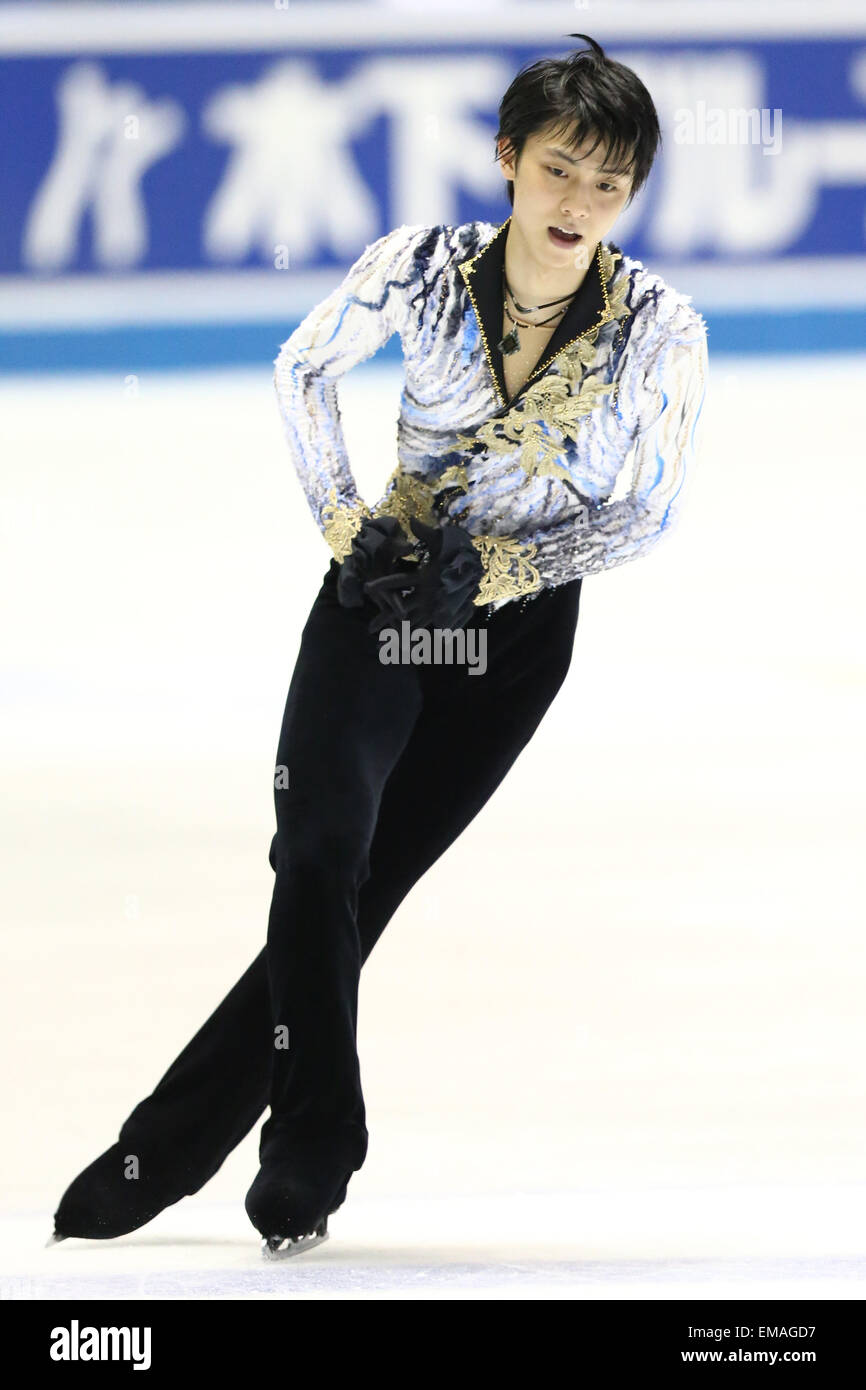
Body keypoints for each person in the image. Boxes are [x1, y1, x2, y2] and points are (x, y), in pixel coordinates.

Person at [50, 34, 708, 1258]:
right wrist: (350, 524)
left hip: (511, 640)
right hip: (385, 600)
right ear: (508, 161)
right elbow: (304, 369)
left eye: (608, 185)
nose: (578, 205)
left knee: (370, 879)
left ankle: (183, 1148)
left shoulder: (661, 329)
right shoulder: (416, 267)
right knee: (315, 854)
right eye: (560, 170)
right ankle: (316, 1134)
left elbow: (650, 508)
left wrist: (514, 567)